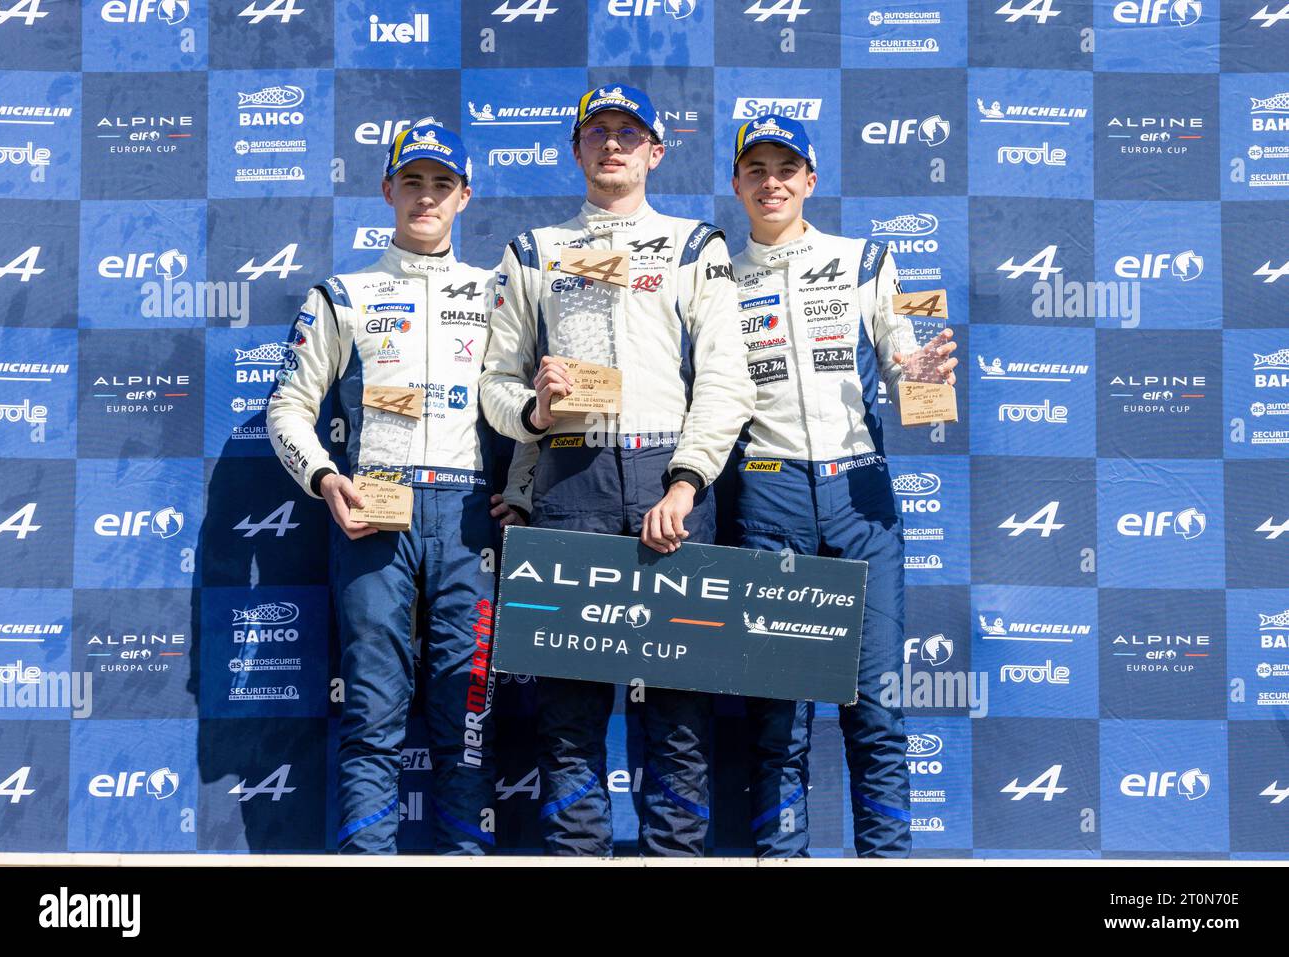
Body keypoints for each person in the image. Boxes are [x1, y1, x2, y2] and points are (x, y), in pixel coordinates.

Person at [480, 84, 754, 856]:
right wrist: (533, 414)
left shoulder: (697, 244)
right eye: (596, 132)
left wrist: (687, 480)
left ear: (655, 152)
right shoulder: (532, 249)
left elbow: (727, 381)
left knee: (680, 710)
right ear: (575, 149)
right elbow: (495, 387)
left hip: (669, 476)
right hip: (570, 479)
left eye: (628, 133)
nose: (612, 145)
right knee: (566, 714)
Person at [266, 121, 529, 854]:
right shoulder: (343, 294)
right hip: (374, 512)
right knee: (373, 718)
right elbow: (288, 406)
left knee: (467, 719)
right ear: (387, 190)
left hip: (469, 518)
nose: (425, 196)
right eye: (412, 181)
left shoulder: (497, 292)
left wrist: (523, 488)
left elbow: (526, 404)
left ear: (464, 196)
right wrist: (325, 478)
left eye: (441, 183)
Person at [725, 114, 958, 857]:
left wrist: (922, 377)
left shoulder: (869, 258)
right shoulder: (718, 275)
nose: (772, 183)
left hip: (860, 497)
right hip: (768, 494)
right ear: (737, 183)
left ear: (810, 180)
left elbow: (912, 369)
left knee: (880, 711)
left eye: (785, 169)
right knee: (778, 718)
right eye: (756, 169)